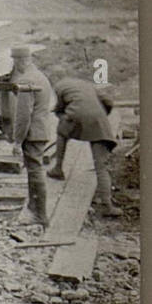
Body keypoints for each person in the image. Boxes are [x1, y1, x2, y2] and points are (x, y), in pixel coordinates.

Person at [47, 76, 120, 217]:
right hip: (99, 119)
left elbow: (59, 108)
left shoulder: (59, 86)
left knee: (61, 132)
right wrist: (101, 115)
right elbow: (108, 101)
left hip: (76, 114)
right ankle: (107, 205)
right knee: (101, 166)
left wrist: (60, 115)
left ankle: (58, 168)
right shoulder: (88, 85)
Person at [0, 45, 53, 227]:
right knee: (35, 170)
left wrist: (17, 141)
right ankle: (34, 208)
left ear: (20, 61)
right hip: (41, 129)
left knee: (35, 171)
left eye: (14, 62)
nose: (14, 66)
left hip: (32, 133)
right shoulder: (39, 76)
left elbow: (23, 116)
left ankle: (40, 215)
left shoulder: (27, 80)